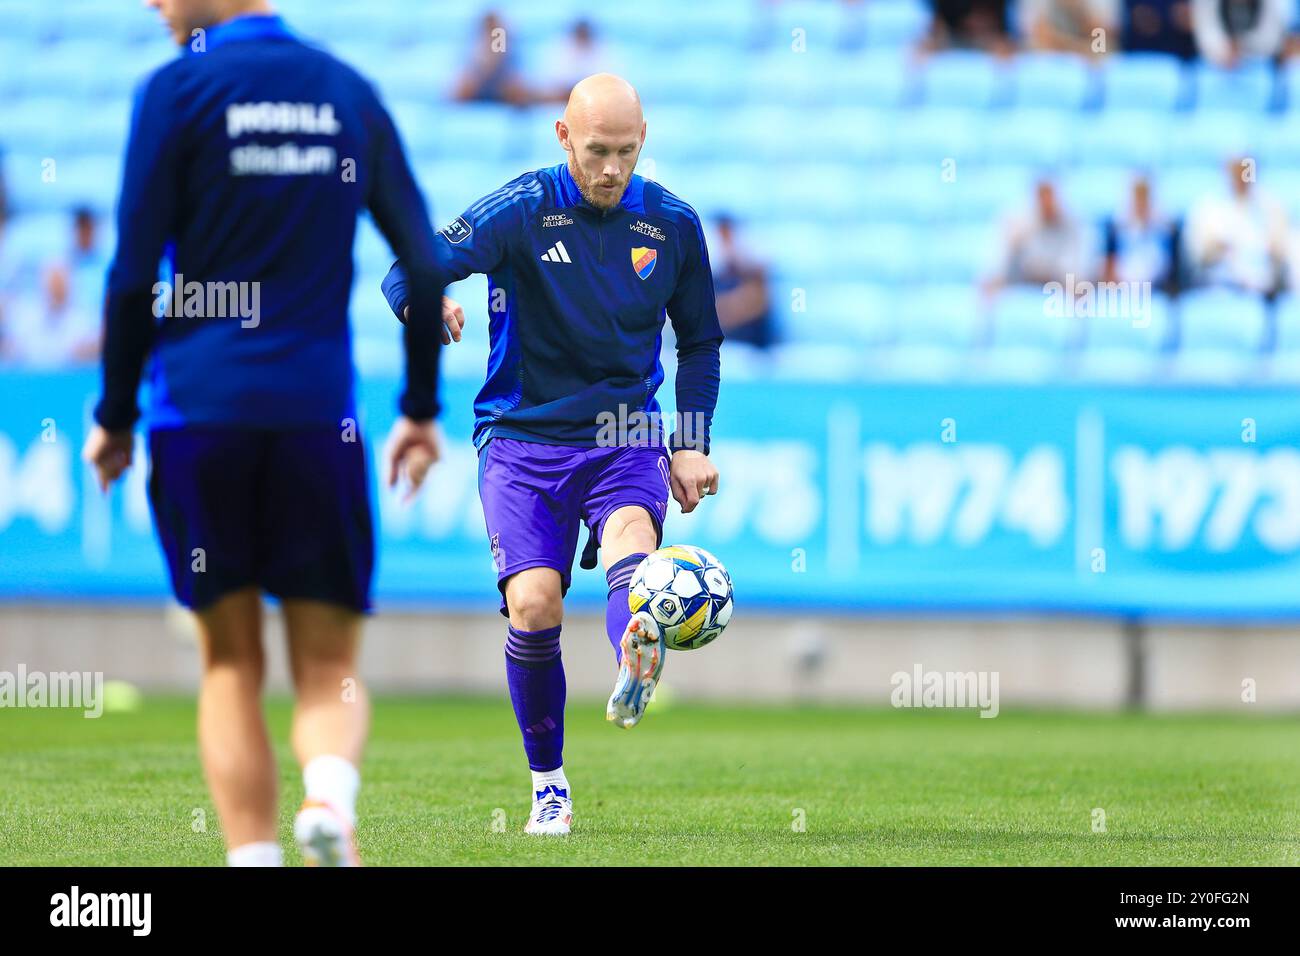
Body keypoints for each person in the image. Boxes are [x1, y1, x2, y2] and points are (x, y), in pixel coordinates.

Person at [81, 0, 454, 867]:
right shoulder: (346, 91)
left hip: (199, 416)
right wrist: (422, 410)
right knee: (329, 667)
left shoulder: (174, 91)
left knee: (230, 665)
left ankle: (253, 859)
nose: (153, 2)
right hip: (316, 416)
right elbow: (428, 263)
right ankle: (328, 800)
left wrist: (114, 418)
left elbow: (134, 276)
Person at [380, 74, 723, 837]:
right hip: (522, 437)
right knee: (535, 604)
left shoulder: (673, 225)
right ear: (564, 137)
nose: (610, 169)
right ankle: (549, 785)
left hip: (623, 433)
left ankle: (636, 651)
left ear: (644, 143)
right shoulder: (520, 209)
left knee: (634, 535)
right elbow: (405, 271)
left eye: (625, 153)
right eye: (596, 151)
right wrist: (428, 300)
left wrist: (691, 444)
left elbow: (700, 340)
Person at [1183, 156, 1288, 295]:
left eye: (1245, 169)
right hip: (1219, 288)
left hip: (1262, 289)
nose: (1241, 176)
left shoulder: (1271, 207)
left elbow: (1280, 251)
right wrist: (1219, 249)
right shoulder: (1207, 208)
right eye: (1236, 170)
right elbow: (1198, 253)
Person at [1102, 175, 1182, 296]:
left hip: (1156, 293)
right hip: (1122, 293)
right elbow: (1110, 269)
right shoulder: (1116, 230)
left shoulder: (1166, 231)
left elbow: (1168, 270)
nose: (1140, 204)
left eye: (1144, 198)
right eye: (1137, 198)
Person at [712, 214, 775, 349]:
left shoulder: (753, 274)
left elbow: (758, 302)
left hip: (751, 351)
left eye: (727, 235)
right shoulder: (707, 275)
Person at [1191, 0, 1294, 66]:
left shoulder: (1275, 6)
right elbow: (1205, 32)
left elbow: (1271, 40)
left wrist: (1243, 47)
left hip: (1258, 65)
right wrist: (1223, 50)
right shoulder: (1207, 5)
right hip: (1216, 65)